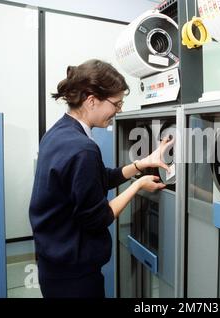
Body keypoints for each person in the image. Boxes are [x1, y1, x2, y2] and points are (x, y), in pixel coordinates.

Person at [29, 59, 172, 298]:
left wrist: (140, 164)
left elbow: (96, 180)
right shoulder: (82, 148)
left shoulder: (59, 133)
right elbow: (97, 217)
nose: (119, 110)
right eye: (116, 104)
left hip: (53, 265)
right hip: (74, 277)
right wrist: (137, 185)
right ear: (91, 100)